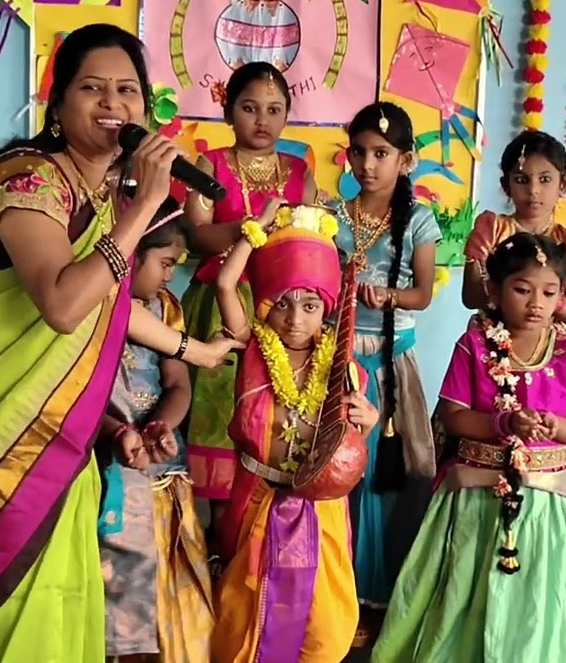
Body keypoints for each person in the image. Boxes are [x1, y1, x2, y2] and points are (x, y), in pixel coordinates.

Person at [0, 23, 240, 663]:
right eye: (91, 88)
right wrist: (140, 210)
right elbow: (66, 305)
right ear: (58, 102)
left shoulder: (101, 198)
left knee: (55, 598)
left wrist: (195, 352)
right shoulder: (27, 181)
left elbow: (114, 303)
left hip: (56, 444)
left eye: (127, 90)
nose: (112, 105)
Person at [372, 232, 566, 663]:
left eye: (550, 293)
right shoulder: (473, 345)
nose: (536, 303)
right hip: (477, 495)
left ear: (563, 297)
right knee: (468, 594)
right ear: (494, 290)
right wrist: (503, 421)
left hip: (551, 507)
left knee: (542, 597)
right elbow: (454, 417)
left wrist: (556, 425)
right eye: (522, 290)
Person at [209, 203, 379, 663]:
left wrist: (369, 418)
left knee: (323, 627)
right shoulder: (253, 350)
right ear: (265, 304)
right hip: (258, 500)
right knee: (246, 617)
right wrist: (253, 235)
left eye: (308, 305)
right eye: (281, 303)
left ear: (325, 306)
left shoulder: (345, 368)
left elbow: (359, 427)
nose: (295, 318)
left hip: (320, 510)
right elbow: (226, 283)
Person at [181, 62, 317, 534]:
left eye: (274, 109)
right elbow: (196, 236)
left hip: (282, 312)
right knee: (219, 418)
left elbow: (309, 245)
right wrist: (250, 227)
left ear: (287, 115)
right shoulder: (209, 165)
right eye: (249, 108)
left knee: (275, 419)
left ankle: (260, 550)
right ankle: (216, 549)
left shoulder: (300, 172)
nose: (262, 119)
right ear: (227, 110)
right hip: (219, 301)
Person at [331, 103, 440, 611]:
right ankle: (336, 585)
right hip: (339, 360)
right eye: (358, 152)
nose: (367, 165)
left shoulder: (418, 219)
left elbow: (423, 293)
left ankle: (381, 589)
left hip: (392, 363)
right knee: (336, 465)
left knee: (389, 473)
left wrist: (386, 296)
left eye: (381, 153)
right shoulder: (333, 216)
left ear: (407, 160)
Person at [97, 197, 214, 662]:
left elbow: (178, 383)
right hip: (107, 469)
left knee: (167, 579)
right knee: (116, 583)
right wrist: (118, 433)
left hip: (160, 465)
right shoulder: (96, 307)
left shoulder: (166, 310)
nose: (170, 276)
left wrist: (163, 423)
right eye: (165, 263)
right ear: (131, 255)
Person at [461, 130, 566, 326]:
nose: (533, 190)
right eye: (522, 180)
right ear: (506, 185)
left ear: (563, 184)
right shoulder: (491, 230)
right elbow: (470, 298)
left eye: (545, 180)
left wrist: (545, 297)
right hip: (492, 339)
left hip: (545, 345)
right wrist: (513, 295)